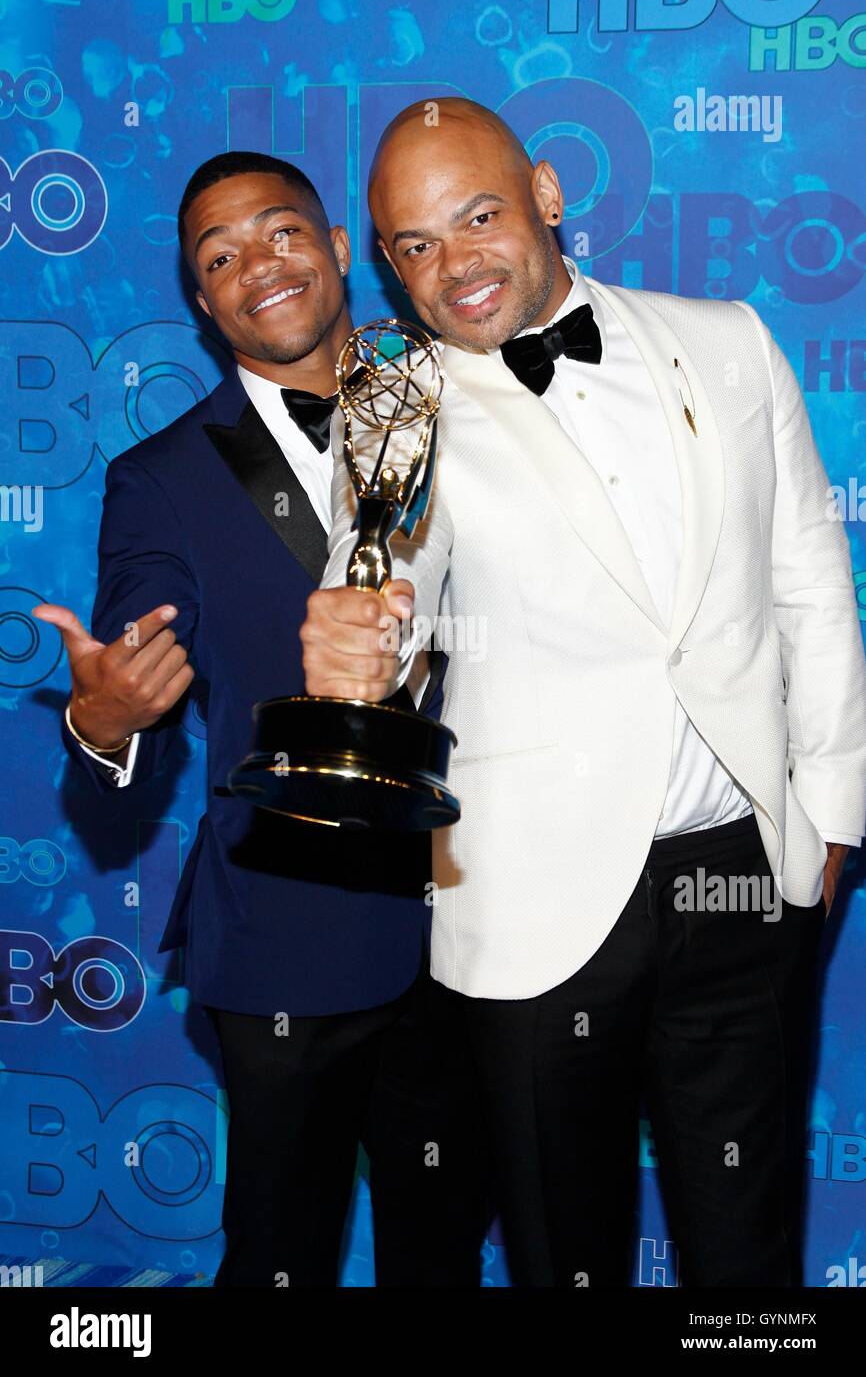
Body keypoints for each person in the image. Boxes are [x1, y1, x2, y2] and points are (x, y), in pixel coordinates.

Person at [300, 100, 866, 1288]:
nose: (451, 264)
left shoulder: (726, 340)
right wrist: (360, 650)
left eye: (480, 216)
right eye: (412, 244)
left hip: (738, 870)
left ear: (547, 194)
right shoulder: (396, 409)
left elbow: (808, 582)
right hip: (534, 896)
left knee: (742, 1237)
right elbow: (387, 587)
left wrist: (830, 812)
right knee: (564, 1247)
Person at [33, 150, 488, 1289]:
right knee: (280, 1254)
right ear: (201, 302)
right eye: (218, 257)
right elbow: (129, 687)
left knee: (445, 1244)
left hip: (487, 920)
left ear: (339, 249)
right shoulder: (163, 479)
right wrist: (102, 711)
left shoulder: (471, 407)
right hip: (290, 929)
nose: (255, 266)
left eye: (280, 233)